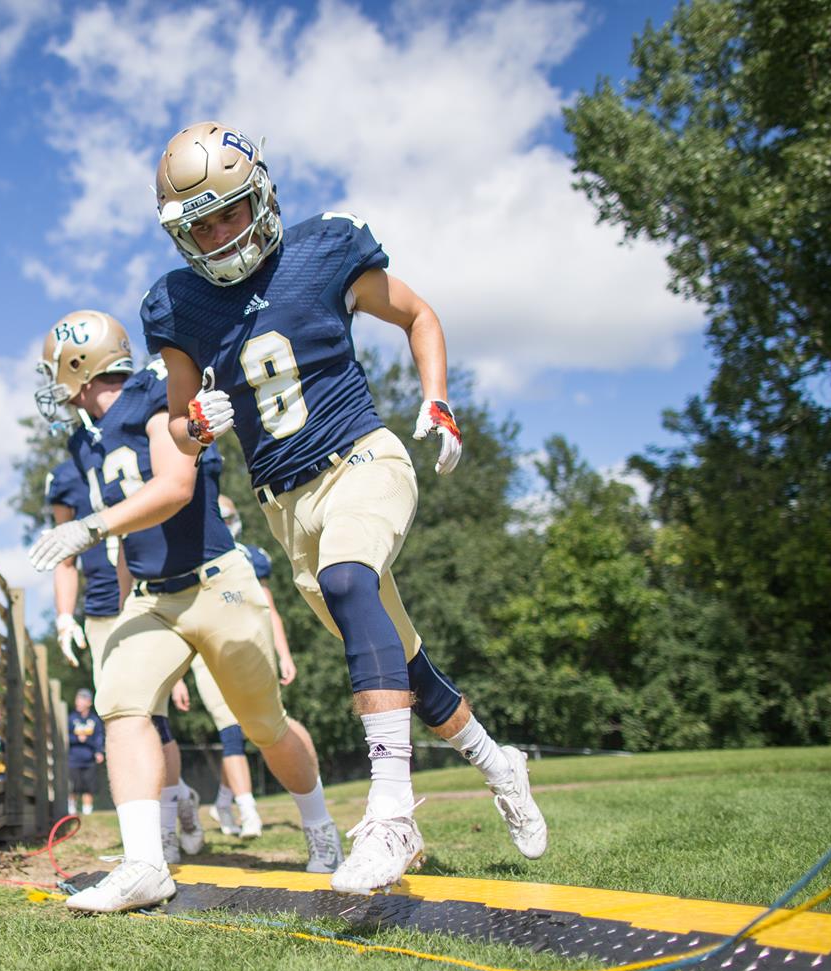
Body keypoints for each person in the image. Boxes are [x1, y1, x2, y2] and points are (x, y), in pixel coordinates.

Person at [145, 122, 548, 895]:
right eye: (201, 223)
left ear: (259, 195)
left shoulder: (325, 248)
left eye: (229, 212)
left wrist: (438, 400)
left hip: (363, 459)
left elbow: (418, 315)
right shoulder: (179, 305)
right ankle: (504, 766)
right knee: (408, 669)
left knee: (350, 577)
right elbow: (175, 421)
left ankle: (392, 814)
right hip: (285, 509)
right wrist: (192, 428)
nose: (219, 233)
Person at [29, 308, 342, 913]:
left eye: (56, 371)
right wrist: (116, 599)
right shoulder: (84, 439)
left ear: (79, 367)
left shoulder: (149, 394)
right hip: (153, 594)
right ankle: (146, 862)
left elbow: (173, 487)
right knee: (121, 703)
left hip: (216, 583)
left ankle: (321, 824)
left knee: (263, 726)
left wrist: (90, 528)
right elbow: (129, 537)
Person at [47, 458, 205, 860]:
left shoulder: (140, 446)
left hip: (149, 600)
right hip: (101, 612)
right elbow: (66, 559)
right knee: (121, 717)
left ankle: (165, 825)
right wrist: (65, 617)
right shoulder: (67, 475)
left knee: (156, 716)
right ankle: (168, 809)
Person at [172, 495, 296, 839]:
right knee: (230, 729)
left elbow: (269, 610)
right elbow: (180, 618)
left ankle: (224, 802)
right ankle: (248, 809)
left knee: (250, 728)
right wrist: (177, 676)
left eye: (229, 517)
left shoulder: (252, 557)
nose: (225, 524)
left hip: (249, 645)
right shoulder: (191, 555)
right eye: (219, 517)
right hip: (208, 651)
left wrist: (283, 654)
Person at [66, 688, 105, 815]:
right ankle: (71, 810)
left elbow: (99, 737)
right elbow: (65, 736)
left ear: (89, 702)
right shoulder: (71, 718)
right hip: (73, 759)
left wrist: (99, 751)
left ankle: (87, 811)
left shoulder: (94, 720)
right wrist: (77, 738)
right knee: (73, 786)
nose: (78, 702)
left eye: (81, 700)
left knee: (89, 787)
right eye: (77, 699)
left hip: (89, 759)